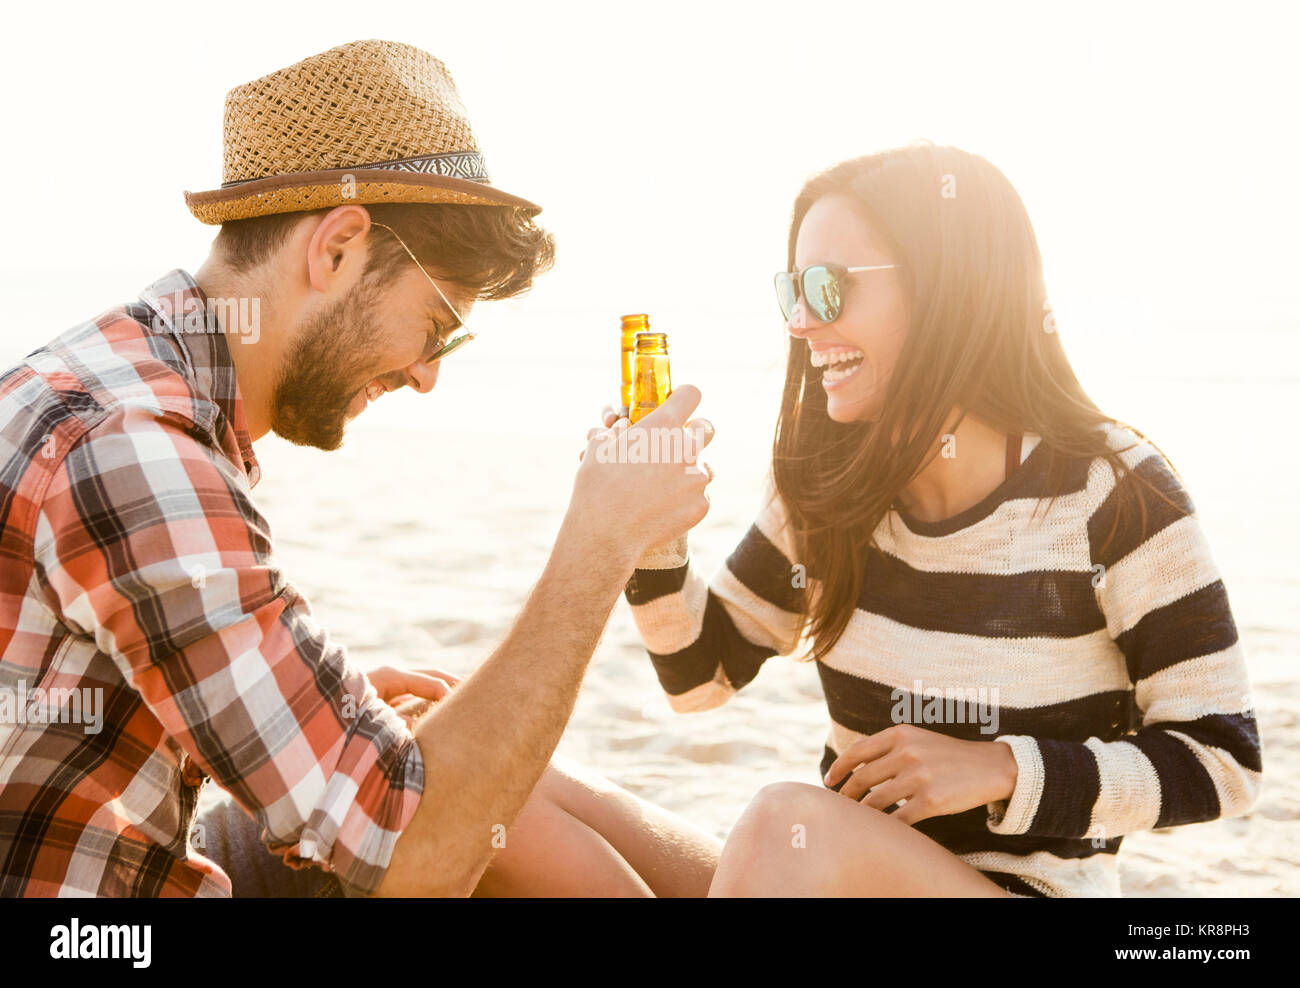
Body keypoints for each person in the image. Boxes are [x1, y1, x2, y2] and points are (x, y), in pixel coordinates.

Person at [0, 39, 721, 898]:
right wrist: (601, 541)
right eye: (437, 323)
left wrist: (310, 713)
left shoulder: (120, 383)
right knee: (465, 814)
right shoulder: (135, 447)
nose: (427, 373)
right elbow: (414, 864)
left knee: (482, 774)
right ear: (337, 247)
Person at [615, 143, 1263, 897]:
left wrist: (1001, 769)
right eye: (792, 289)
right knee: (535, 798)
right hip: (823, 875)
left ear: (950, 289)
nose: (801, 322)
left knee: (779, 822)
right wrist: (647, 523)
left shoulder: (1114, 493)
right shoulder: (831, 485)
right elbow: (701, 676)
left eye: (828, 288)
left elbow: (1224, 761)